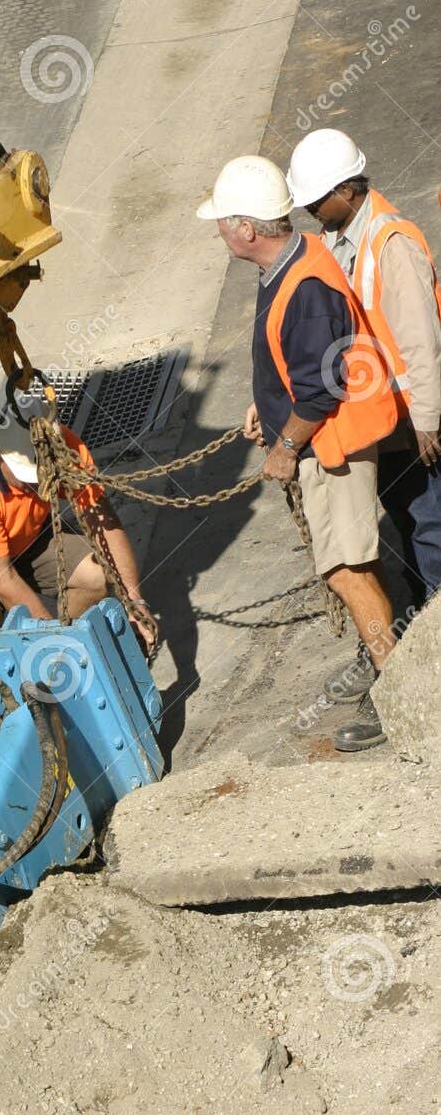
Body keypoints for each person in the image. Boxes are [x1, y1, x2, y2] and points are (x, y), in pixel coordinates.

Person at [198, 155, 399, 752]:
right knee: (355, 559)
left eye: (222, 221)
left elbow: (321, 386)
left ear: (247, 229)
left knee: (344, 567)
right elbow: (299, 365)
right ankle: (386, 657)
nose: (219, 231)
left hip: (334, 441)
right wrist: (271, 402)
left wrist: (286, 446)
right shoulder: (290, 262)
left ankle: (399, 689)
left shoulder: (305, 287)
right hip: (325, 433)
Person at [287, 128, 441, 703]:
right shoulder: (343, 238)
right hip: (387, 421)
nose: (308, 208)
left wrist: (427, 418)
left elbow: (421, 342)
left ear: (348, 189)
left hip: (414, 423)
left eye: (316, 198)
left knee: (429, 527)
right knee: (407, 524)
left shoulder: (390, 242)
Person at [0, 384, 155, 676]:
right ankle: (4, 700)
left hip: (20, 531)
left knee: (96, 576)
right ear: (0, 456)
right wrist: (48, 644)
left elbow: (103, 521)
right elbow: (2, 578)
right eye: (29, 480)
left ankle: (78, 659)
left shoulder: (64, 449)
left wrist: (134, 601)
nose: (39, 487)